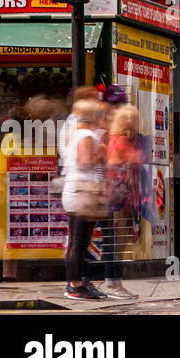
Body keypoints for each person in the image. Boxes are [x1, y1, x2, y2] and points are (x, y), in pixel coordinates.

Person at [60, 97, 109, 299]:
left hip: (76, 191)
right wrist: (102, 151)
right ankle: (76, 285)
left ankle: (77, 283)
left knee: (77, 241)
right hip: (83, 192)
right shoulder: (86, 135)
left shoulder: (76, 134)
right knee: (79, 242)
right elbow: (85, 162)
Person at [101, 104, 141, 298]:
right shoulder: (123, 140)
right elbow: (135, 161)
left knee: (113, 242)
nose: (131, 122)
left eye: (133, 118)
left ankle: (114, 282)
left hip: (114, 196)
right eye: (128, 118)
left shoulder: (114, 138)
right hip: (117, 198)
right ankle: (112, 284)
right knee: (115, 242)